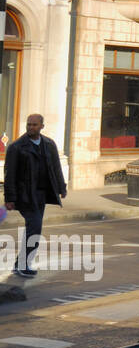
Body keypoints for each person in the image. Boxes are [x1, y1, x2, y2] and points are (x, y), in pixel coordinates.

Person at [3, 114, 67, 278]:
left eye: (34, 125)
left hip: (42, 194)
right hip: (25, 195)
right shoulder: (17, 147)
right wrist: (9, 198)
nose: (30, 127)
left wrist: (61, 187)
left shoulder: (49, 144)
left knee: (33, 228)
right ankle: (23, 265)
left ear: (41, 126)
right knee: (35, 227)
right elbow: (9, 174)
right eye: (28, 124)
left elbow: (56, 167)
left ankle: (20, 263)